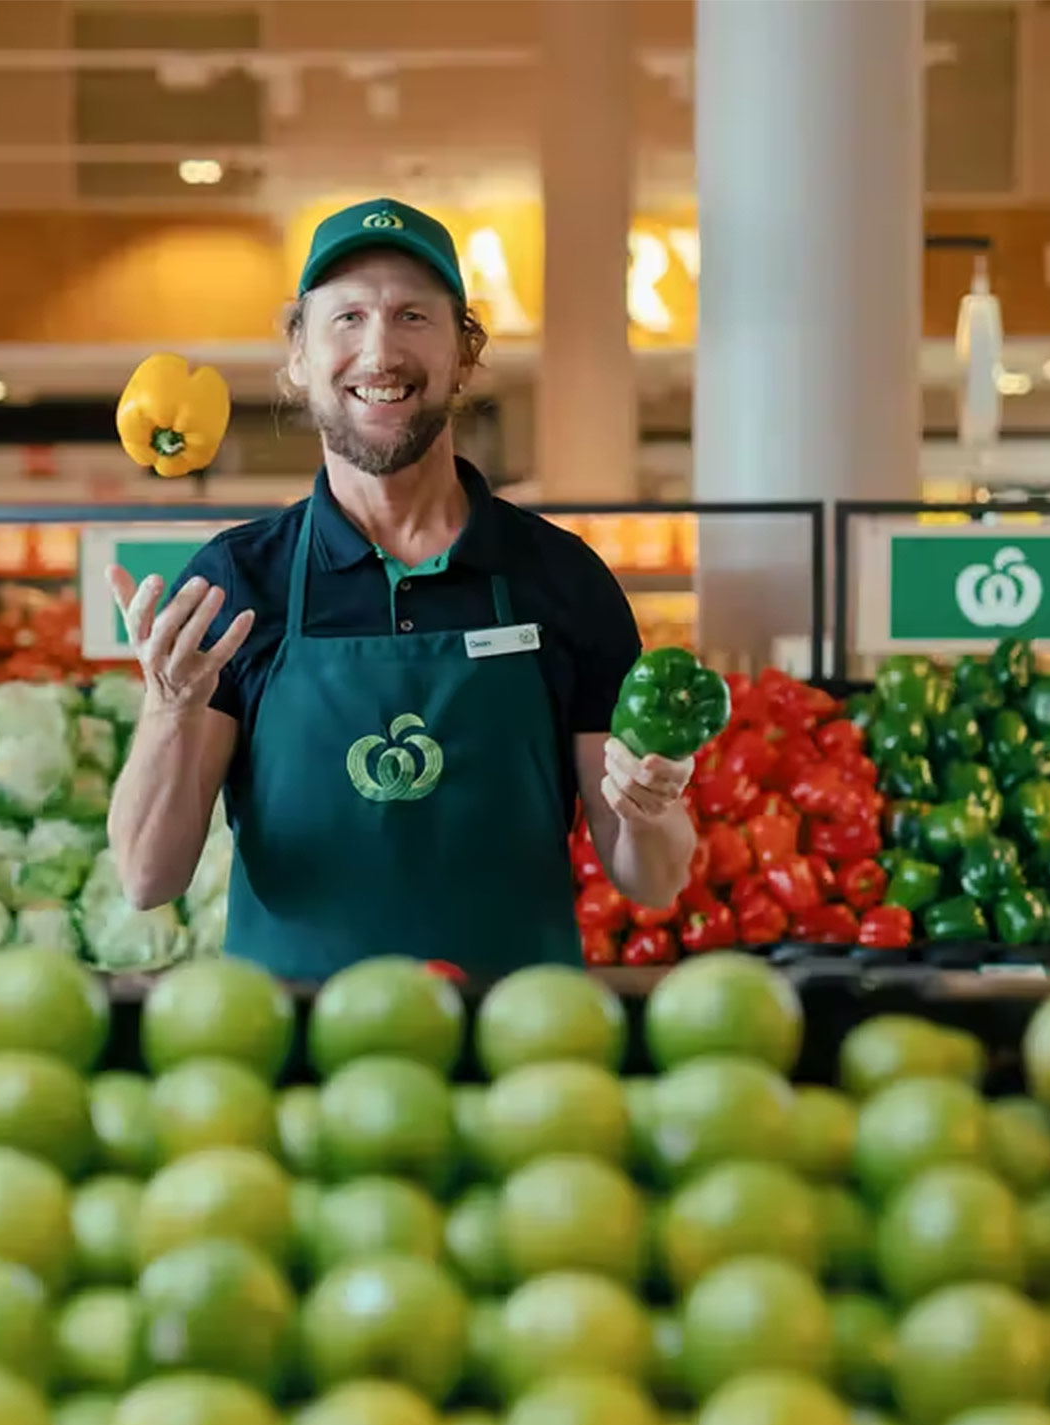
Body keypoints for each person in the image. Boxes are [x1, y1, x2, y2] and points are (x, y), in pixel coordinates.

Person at [108, 197, 697, 983]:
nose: (379, 351)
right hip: (291, 1050)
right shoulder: (235, 583)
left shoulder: (562, 579)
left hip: (518, 1050)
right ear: (299, 358)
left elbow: (652, 880)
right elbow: (149, 878)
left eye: (413, 316)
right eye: (347, 318)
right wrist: (168, 711)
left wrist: (648, 812)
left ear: (464, 354)